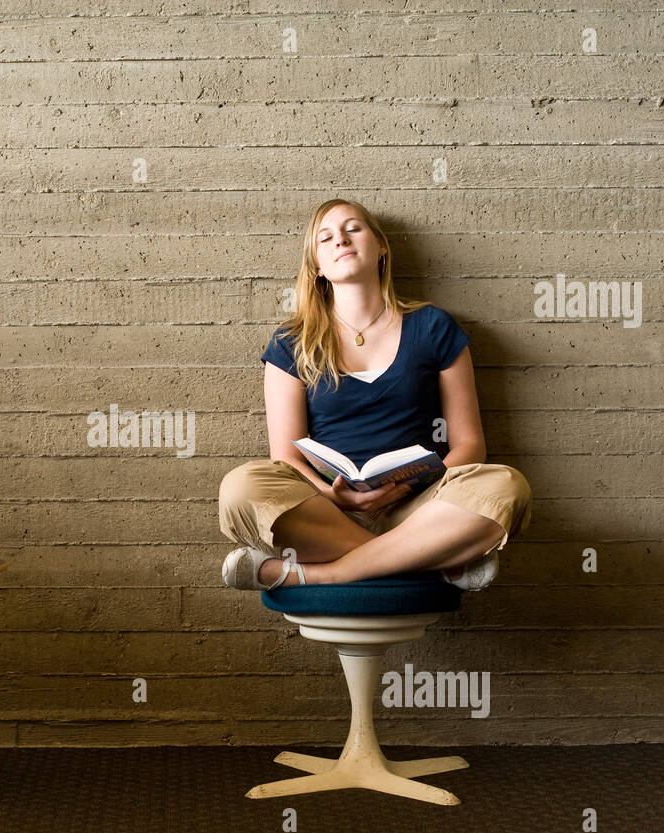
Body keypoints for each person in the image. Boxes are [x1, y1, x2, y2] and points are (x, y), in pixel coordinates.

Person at [218, 198, 533, 590]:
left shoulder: (433, 327)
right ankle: (430, 561)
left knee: (506, 486)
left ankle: (317, 574)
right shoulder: (291, 342)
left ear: (380, 245)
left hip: (421, 507)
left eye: (354, 229)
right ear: (317, 266)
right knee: (240, 489)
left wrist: (418, 485)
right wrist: (336, 497)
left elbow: (469, 444)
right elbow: (285, 458)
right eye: (326, 237)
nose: (341, 240)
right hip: (327, 511)